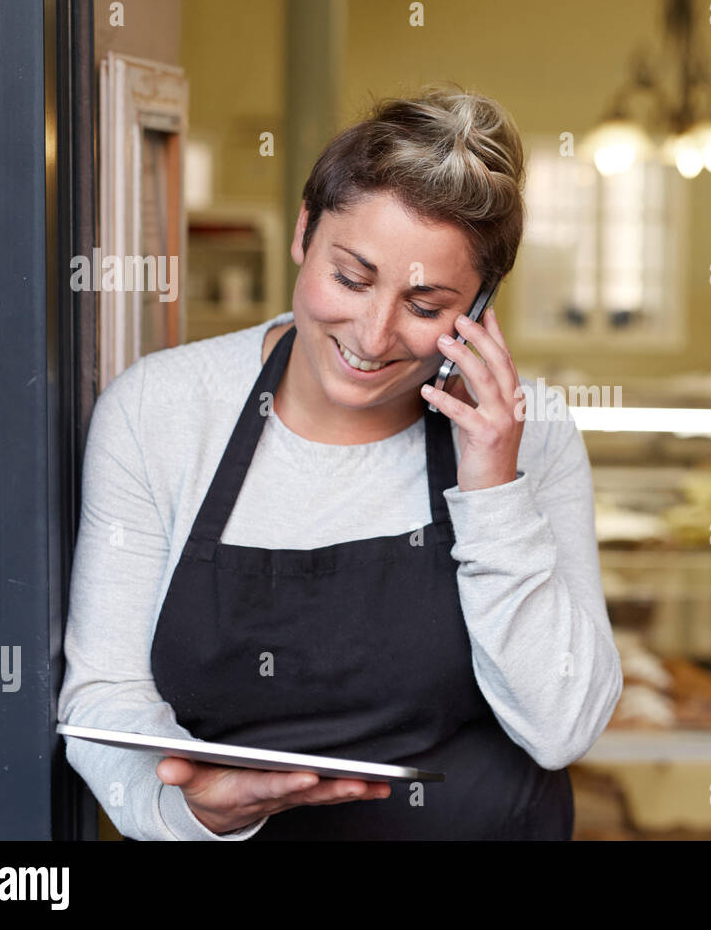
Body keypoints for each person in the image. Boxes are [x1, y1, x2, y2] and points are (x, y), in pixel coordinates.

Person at [58, 82, 623, 840]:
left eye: (427, 307)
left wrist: (492, 483)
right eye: (351, 277)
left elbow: (563, 727)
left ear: (481, 308)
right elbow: (104, 695)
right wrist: (187, 811)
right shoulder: (159, 412)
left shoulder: (532, 431)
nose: (374, 332)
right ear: (303, 233)